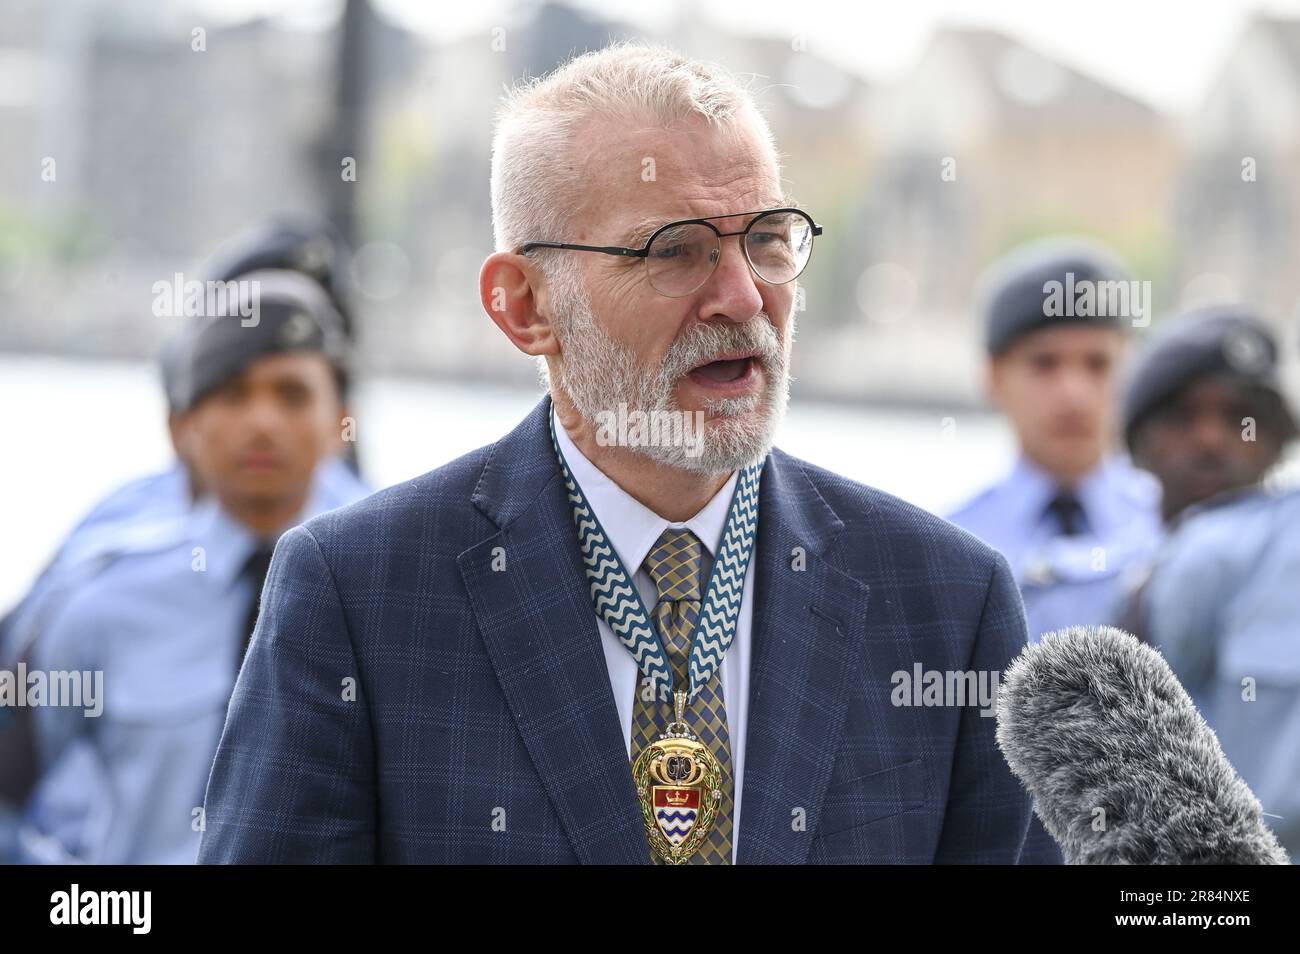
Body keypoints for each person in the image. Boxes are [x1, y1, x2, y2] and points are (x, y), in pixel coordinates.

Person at [199, 44, 1052, 865]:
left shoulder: (947, 603)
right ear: (524, 305)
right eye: (675, 250)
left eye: (767, 239)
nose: (744, 295)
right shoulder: (360, 592)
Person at [4, 270, 369, 863]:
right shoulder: (101, 602)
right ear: (180, 429)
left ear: (340, 423)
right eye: (231, 394)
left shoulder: (396, 593)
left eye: (293, 394)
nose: (262, 422)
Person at [947, 239, 1161, 644]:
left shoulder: (1172, 535)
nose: (1073, 393)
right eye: (1044, 363)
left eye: (1098, 364)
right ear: (993, 376)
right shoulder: (947, 545)